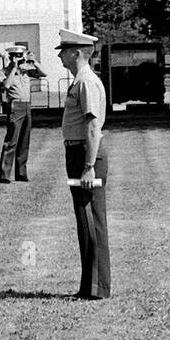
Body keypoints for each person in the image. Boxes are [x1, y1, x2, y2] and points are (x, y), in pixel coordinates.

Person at [57, 29, 111, 300]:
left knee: (90, 219)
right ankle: (90, 286)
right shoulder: (81, 80)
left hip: (85, 155)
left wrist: (89, 165)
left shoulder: (86, 82)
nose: (60, 55)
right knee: (86, 219)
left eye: (64, 51)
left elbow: (92, 127)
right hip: (79, 154)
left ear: (77, 53)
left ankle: (96, 288)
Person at [0, 45, 45, 183]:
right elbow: (6, 85)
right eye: (16, 56)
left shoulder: (26, 70)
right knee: (11, 141)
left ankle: (21, 173)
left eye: (20, 56)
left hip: (27, 105)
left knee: (24, 141)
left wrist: (34, 61)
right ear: (10, 57)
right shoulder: (5, 71)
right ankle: (4, 175)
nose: (19, 58)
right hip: (15, 106)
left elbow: (43, 74)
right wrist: (15, 68)